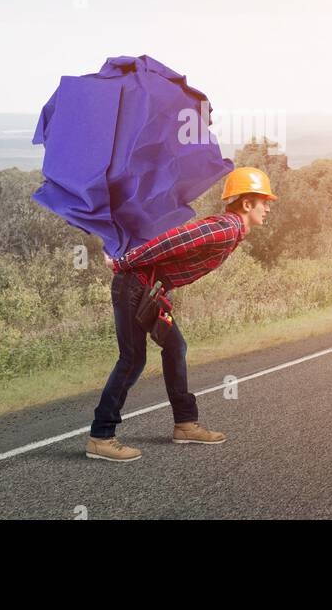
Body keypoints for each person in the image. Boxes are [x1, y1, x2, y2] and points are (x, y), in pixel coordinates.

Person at [85, 166, 277, 462]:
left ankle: (185, 424)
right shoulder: (226, 228)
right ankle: (101, 436)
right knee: (133, 359)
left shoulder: (232, 231)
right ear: (247, 203)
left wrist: (161, 290)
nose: (267, 207)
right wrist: (123, 263)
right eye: (264, 201)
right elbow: (173, 240)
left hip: (149, 289)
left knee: (176, 346)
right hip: (134, 284)